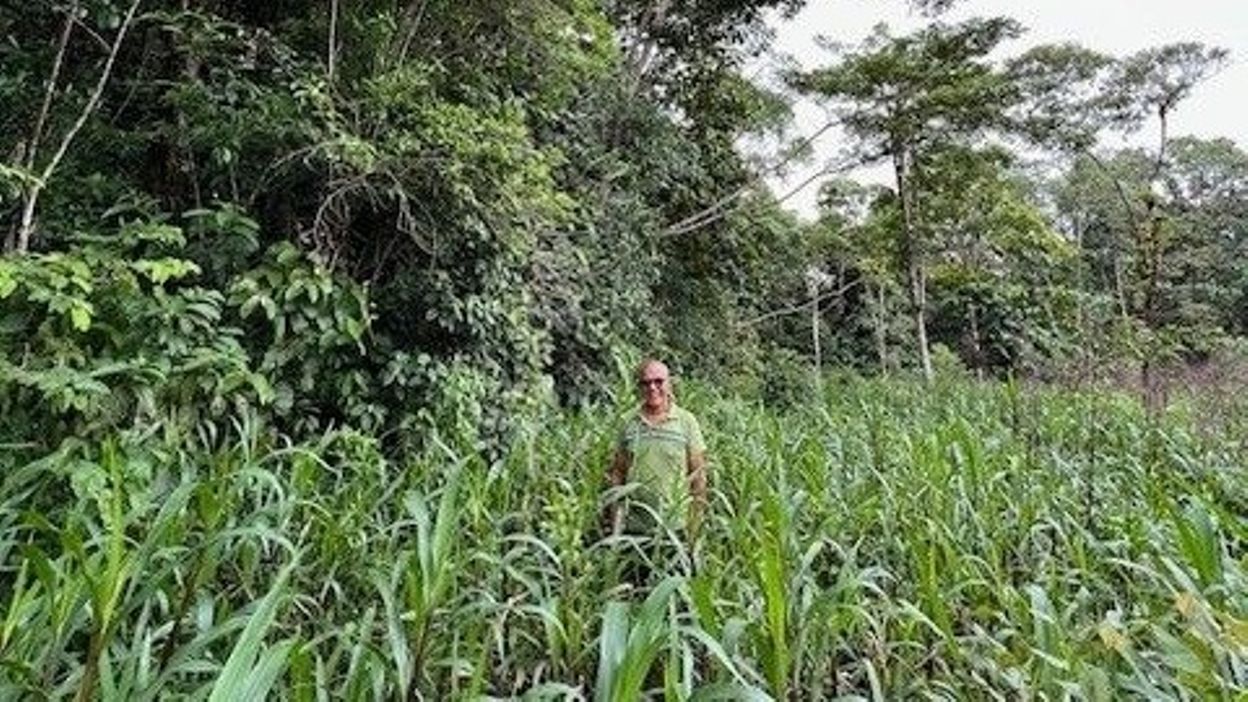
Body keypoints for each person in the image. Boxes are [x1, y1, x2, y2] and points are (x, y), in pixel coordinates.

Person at [603, 359, 708, 556]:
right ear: (639, 387)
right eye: (646, 382)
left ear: (669, 383)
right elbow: (618, 474)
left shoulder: (686, 422)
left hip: (675, 530)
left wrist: (694, 530)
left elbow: (699, 478)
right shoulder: (627, 422)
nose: (652, 387)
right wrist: (615, 526)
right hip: (634, 532)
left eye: (658, 381)